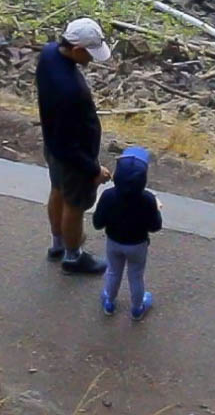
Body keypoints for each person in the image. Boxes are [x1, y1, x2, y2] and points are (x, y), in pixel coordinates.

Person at [36, 17, 113, 275]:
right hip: (73, 156)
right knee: (75, 205)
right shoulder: (71, 91)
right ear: (77, 50)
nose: (91, 59)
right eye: (89, 54)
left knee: (58, 190)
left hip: (52, 145)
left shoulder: (49, 54)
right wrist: (94, 170)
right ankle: (73, 257)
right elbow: (71, 145)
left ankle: (57, 244)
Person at [92, 145, 163, 320]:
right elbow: (155, 226)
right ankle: (137, 308)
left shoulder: (108, 196)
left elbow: (97, 223)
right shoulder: (148, 199)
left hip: (114, 242)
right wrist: (156, 209)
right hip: (137, 245)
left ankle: (109, 302)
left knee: (113, 272)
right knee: (136, 276)